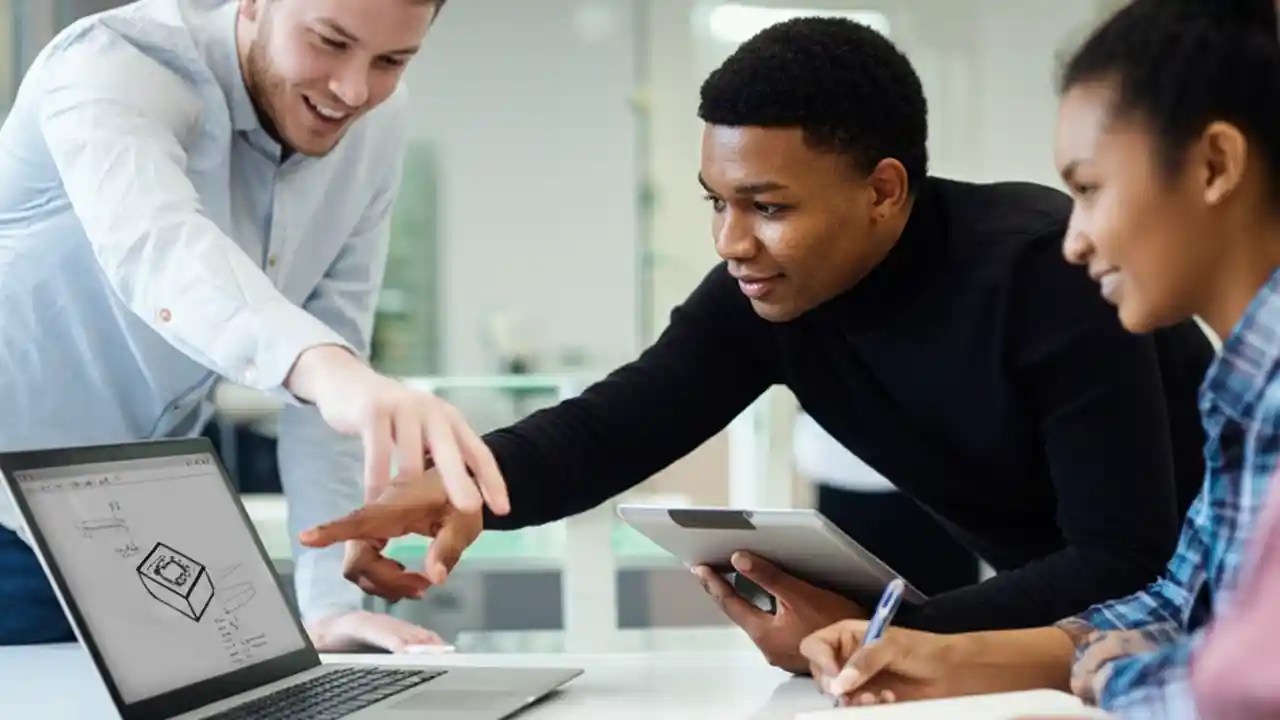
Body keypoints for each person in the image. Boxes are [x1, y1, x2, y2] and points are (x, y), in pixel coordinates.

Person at [299, 16, 1213, 673]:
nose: (732, 242)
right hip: (1080, 638)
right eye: (717, 201)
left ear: (884, 191)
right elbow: (611, 428)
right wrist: (458, 492)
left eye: (768, 207)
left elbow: (1124, 556)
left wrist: (884, 630)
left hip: (1217, 625)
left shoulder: (1046, 269)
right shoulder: (768, 291)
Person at [793, 0, 1280, 715]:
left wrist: (1109, 678)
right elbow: (1177, 610)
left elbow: (1239, 686)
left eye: (1088, 190)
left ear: (1213, 165)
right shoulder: (1241, 389)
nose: (1074, 240)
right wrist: (930, 653)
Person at [0, 0, 509, 650]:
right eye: (329, 42)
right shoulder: (113, 62)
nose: (353, 89)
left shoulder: (376, 126)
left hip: (134, 516)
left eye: (391, 61)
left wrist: (328, 602)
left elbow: (330, 375)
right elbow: (160, 250)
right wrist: (331, 372)